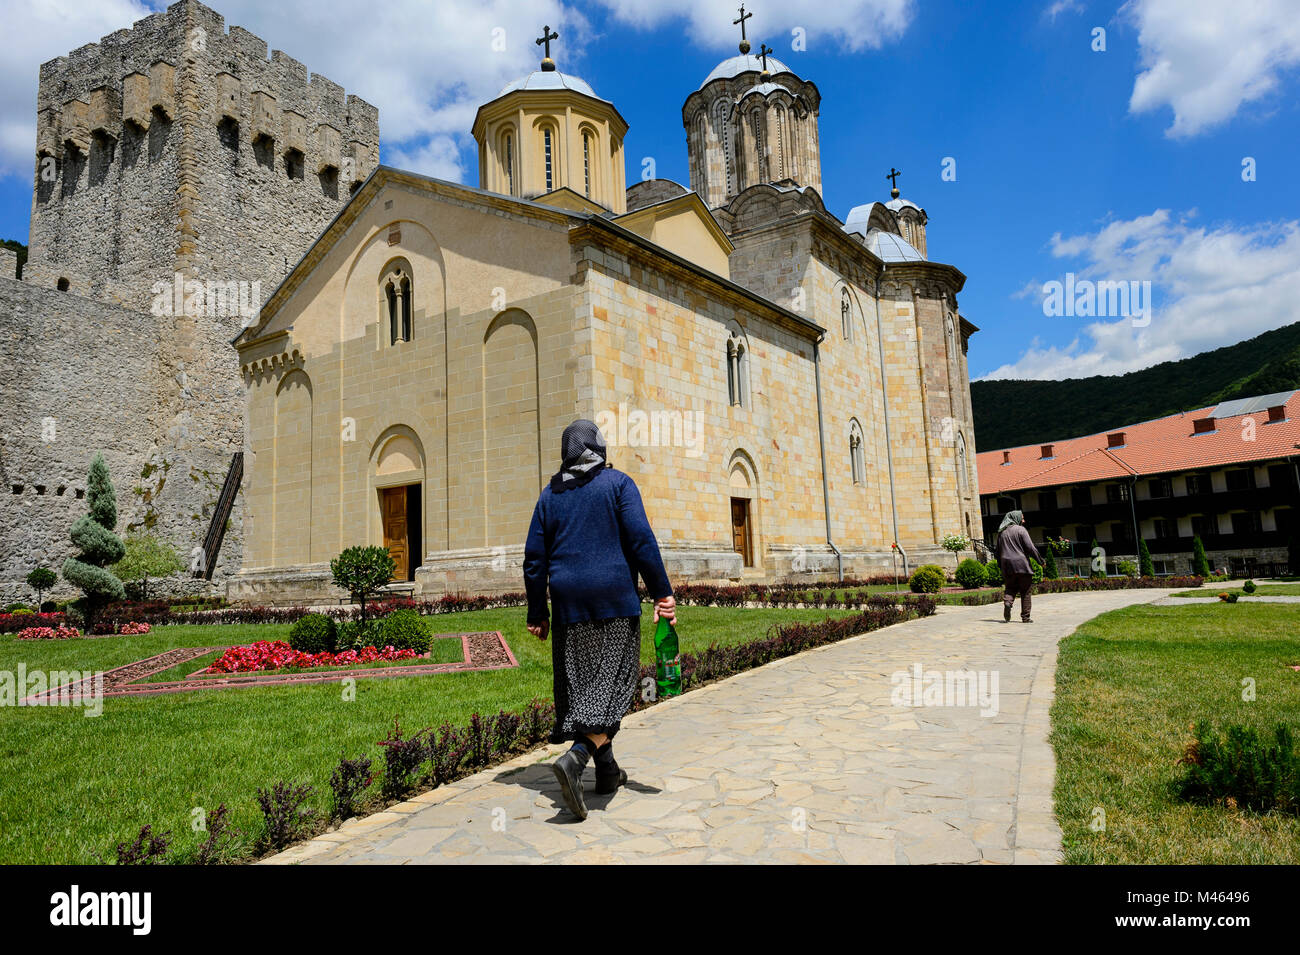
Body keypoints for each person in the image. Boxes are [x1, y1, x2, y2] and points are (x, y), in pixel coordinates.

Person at [523, 419, 676, 820]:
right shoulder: (618, 485)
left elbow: (535, 560)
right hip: (613, 599)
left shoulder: (549, 496)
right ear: (598, 449)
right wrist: (662, 591)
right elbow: (640, 540)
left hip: (569, 606)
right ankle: (576, 759)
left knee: (585, 687)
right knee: (615, 686)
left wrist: (538, 611)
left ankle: (607, 771)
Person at [996, 510, 1041, 623]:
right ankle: (1025, 617)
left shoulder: (1001, 533)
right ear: (1016, 518)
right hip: (1022, 565)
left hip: (1007, 565)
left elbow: (997, 552)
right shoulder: (1021, 530)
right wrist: (1040, 561)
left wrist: (1000, 566)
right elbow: (1030, 548)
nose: (1024, 521)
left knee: (1010, 588)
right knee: (1025, 591)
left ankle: (1008, 603)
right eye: (1022, 518)